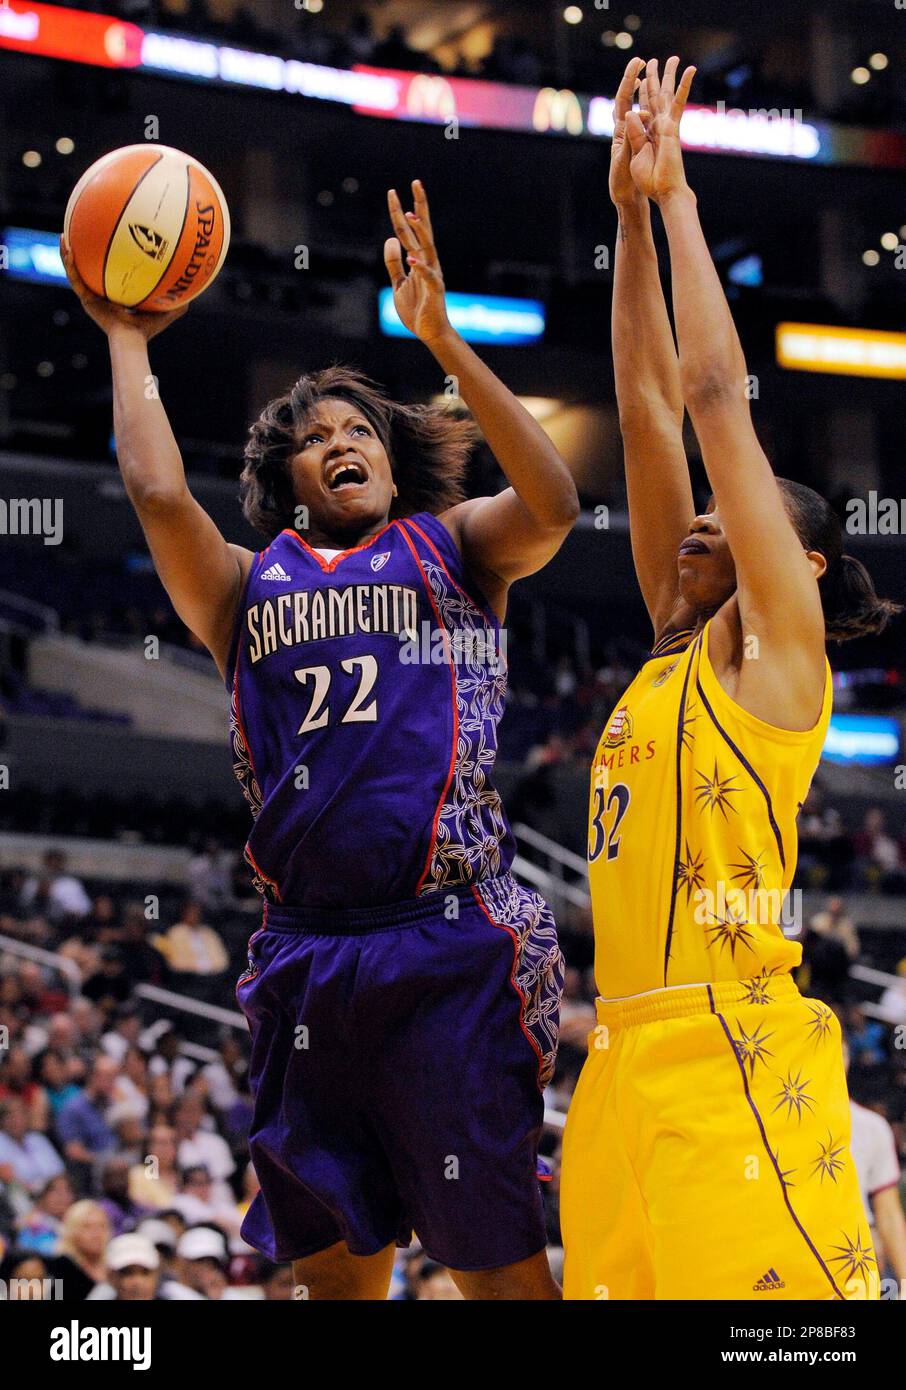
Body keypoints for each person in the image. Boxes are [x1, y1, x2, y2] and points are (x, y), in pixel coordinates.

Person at [62, 175, 576, 1300]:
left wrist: (441, 337)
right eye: (313, 437)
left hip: (449, 942)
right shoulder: (245, 587)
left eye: (359, 429)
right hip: (306, 954)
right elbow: (152, 486)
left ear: (391, 462)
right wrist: (125, 334)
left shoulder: (453, 547)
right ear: (282, 483)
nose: (339, 441)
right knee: (336, 1281)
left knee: (498, 1270)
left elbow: (554, 504)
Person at [560, 57, 901, 1301]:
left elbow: (707, 395)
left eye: (729, 516)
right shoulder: (668, 637)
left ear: (794, 562)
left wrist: (682, 193)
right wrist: (626, 219)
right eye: (697, 517)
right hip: (619, 1058)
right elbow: (647, 404)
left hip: (736, 1048)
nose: (699, 525)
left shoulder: (779, 666)